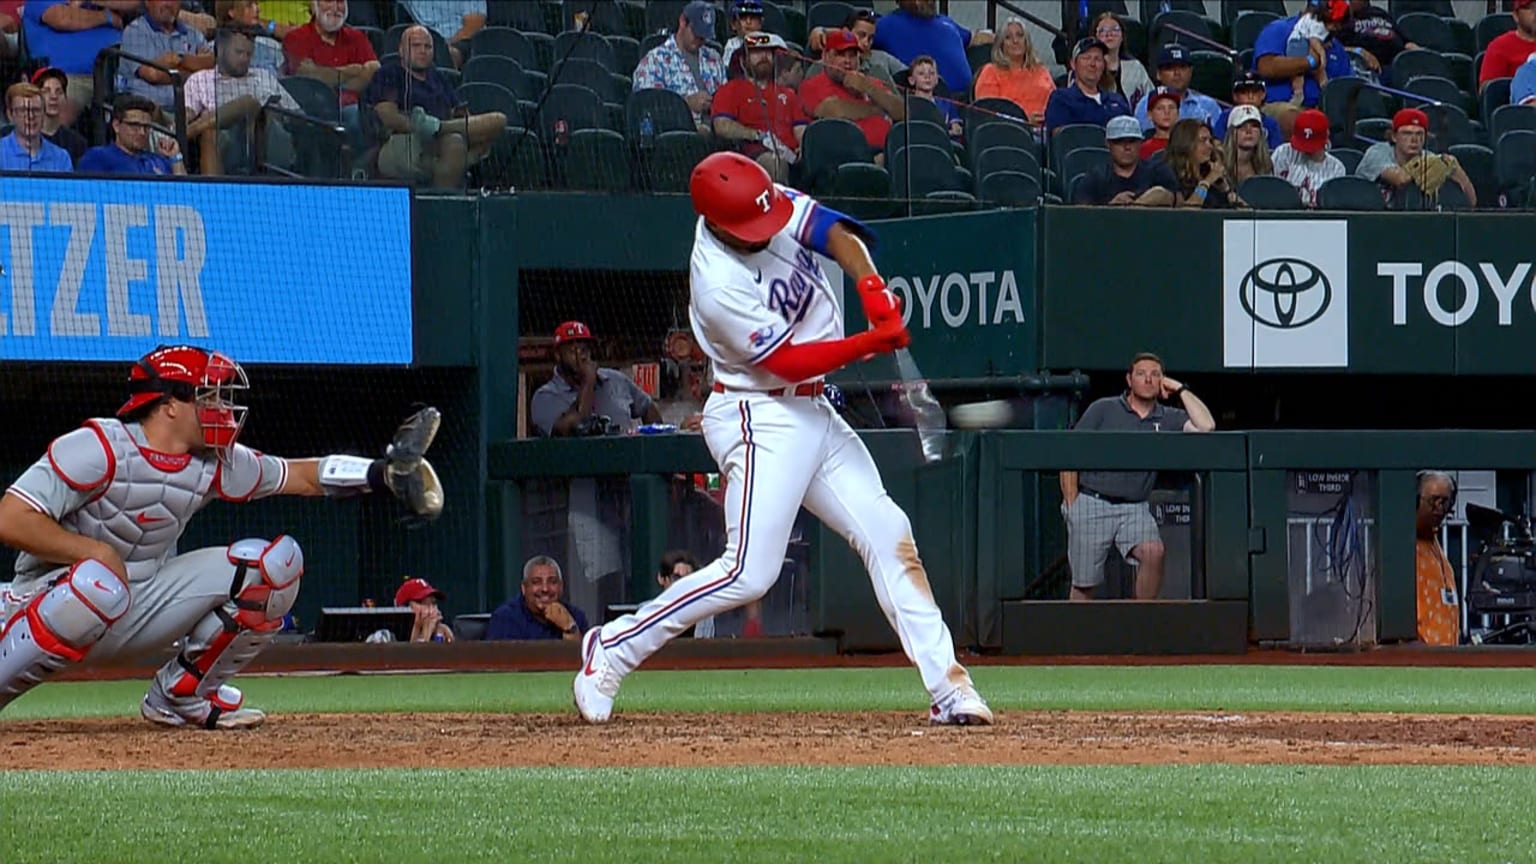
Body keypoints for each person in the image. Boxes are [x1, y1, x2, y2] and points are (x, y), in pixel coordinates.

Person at [574, 151, 993, 727]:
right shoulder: (716, 282)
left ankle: (950, 689)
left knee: (889, 532)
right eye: (751, 227)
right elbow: (787, 362)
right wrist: (866, 345)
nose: (764, 229)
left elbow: (832, 228)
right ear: (718, 225)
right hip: (758, 413)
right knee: (749, 572)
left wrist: (869, 284)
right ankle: (612, 648)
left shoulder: (756, 197)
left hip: (813, 409)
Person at [0, 346, 443, 729]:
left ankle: (180, 697)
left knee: (274, 566)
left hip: (139, 607)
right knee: (97, 582)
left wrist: (378, 474)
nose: (222, 408)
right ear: (171, 403)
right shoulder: (97, 446)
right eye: (209, 395)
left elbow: (301, 474)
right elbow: (11, 518)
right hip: (48, 603)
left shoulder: (214, 461)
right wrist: (91, 550)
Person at [1060, 353, 1215, 601]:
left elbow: (1206, 426)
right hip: (1093, 502)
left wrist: (1179, 388)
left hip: (1134, 507)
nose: (1148, 379)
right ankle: (1076, 638)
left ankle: (1139, 625)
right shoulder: (1104, 408)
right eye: (1141, 374)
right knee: (1084, 586)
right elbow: (1069, 454)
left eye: (1156, 374)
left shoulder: (1166, 417)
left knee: (1154, 552)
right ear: (1129, 380)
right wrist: (1072, 504)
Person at [529, 321, 661, 438]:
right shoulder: (545, 396)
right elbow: (576, 429)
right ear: (558, 355)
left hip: (625, 462)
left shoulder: (615, 380)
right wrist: (588, 381)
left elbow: (647, 407)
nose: (581, 356)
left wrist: (654, 448)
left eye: (584, 349)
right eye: (573, 350)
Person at [1073, 114, 1176, 206]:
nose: (1127, 147)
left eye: (1132, 141)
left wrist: (1137, 204)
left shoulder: (1157, 171)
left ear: (1141, 142)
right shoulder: (1095, 177)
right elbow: (1083, 214)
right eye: (1119, 141)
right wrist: (1111, 207)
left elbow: (1174, 198)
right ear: (1108, 144)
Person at [972, 16, 1054, 127]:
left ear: (1027, 41)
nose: (1015, 41)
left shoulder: (1041, 71)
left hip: (1045, 132)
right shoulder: (990, 72)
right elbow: (987, 114)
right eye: (1008, 37)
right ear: (1001, 45)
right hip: (1007, 132)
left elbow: (1056, 104)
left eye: (1020, 36)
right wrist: (1023, 119)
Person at [78, 93, 187, 175]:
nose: (142, 132)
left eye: (146, 127)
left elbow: (185, 194)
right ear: (116, 125)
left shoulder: (158, 161)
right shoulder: (98, 157)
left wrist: (175, 157)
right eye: (134, 125)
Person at [485, 556, 588, 641]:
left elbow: (583, 661)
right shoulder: (505, 618)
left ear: (561, 587)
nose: (545, 589)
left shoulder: (576, 617)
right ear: (524, 588)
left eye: (552, 582)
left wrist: (569, 628)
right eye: (536, 582)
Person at [1415, 471, 1460, 646]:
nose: (1439, 508)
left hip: (1446, 657)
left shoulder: (1437, 548)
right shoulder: (1401, 550)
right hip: (1419, 660)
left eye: (1445, 502)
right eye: (1433, 501)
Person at [1271, 108, 1344, 208]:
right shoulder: (1283, 152)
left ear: (1327, 136)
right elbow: (1269, 191)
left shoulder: (1336, 168)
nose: (1306, 149)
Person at [1167, 119, 1241, 209]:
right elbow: (1186, 215)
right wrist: (1207, 181)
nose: (1209, 146)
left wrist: (1227, 189)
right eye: (1203, 140)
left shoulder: (1211, 174)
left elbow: (1246, 213)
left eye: (1210, 141)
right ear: (1186, 143)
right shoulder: (1171, 175)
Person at [0, 83, 74, 172]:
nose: (30, 116)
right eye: (23, 110)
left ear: (44, 113)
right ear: (10, 115)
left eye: (36, 110)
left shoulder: (61, 158)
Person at [658, 550, 715, 638]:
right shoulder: (646, 613)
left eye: (688, 579)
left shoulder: (704, 618)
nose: (683, 585)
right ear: (662, 579)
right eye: (677, 578)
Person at [395, 577, 455, 643]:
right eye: (423, 603)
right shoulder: (389, 637)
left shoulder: (441, 633)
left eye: (433, 603)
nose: (431, 610)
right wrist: (424, 637)